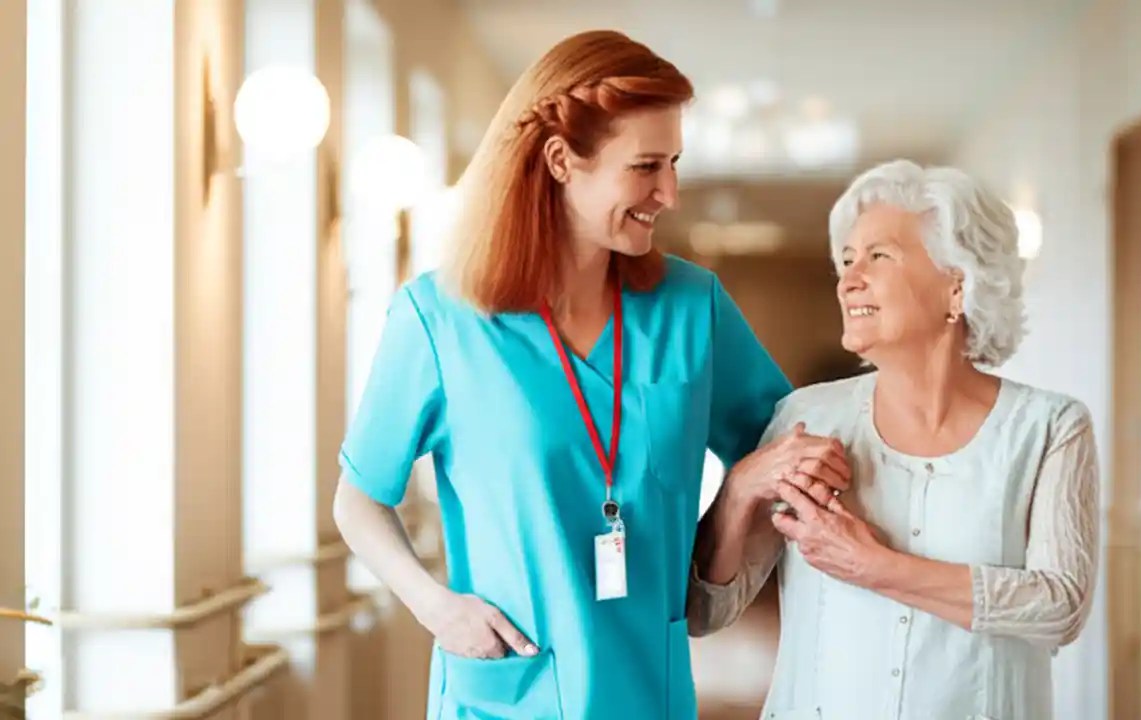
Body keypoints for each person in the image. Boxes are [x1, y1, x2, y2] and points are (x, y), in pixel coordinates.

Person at [331, 30, 847, 719]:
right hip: (504, 692)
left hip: (646, 689)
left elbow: (789, 449)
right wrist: (436, 607)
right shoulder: (440, 319)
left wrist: (742, 491)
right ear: (560, 161)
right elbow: (359, 499)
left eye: (675, 164)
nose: (670, 192)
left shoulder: (693, 310)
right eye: (646, 166)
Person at [688, 160, 1100, 720]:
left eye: (879, 256)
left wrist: (873, 565)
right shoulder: (804, 417)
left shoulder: (1050, 428)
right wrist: (738, 490)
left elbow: (1060, 607)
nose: (849, 278)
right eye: (847, 260)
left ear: (958, 284)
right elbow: (708, 613)